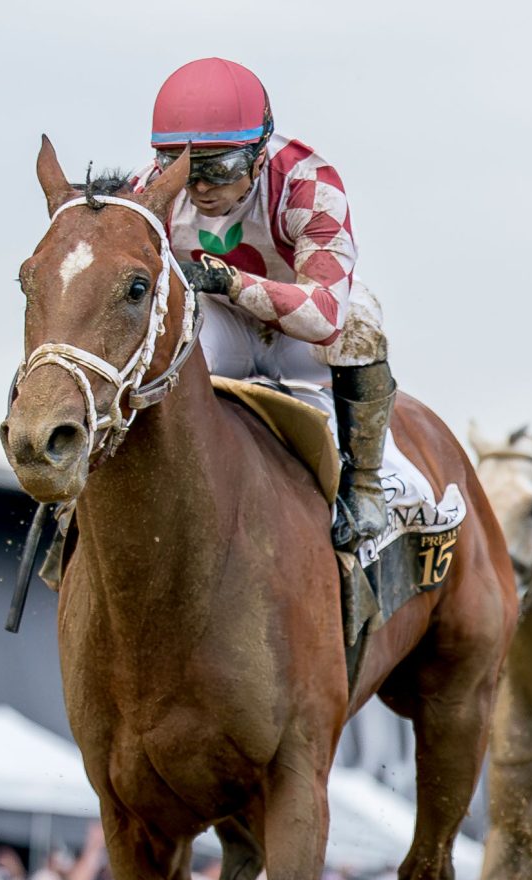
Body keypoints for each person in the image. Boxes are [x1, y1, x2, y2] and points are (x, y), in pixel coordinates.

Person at [132, 57, 396, 549]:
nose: (200, 186)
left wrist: (229, 281)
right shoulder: (149, 190)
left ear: (258, 155)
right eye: (182, 167)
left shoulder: (309, 184)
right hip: (218, 325)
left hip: (301, 335)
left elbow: (324, 318)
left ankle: (365, 484)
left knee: (363, 318)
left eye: (220, 167)